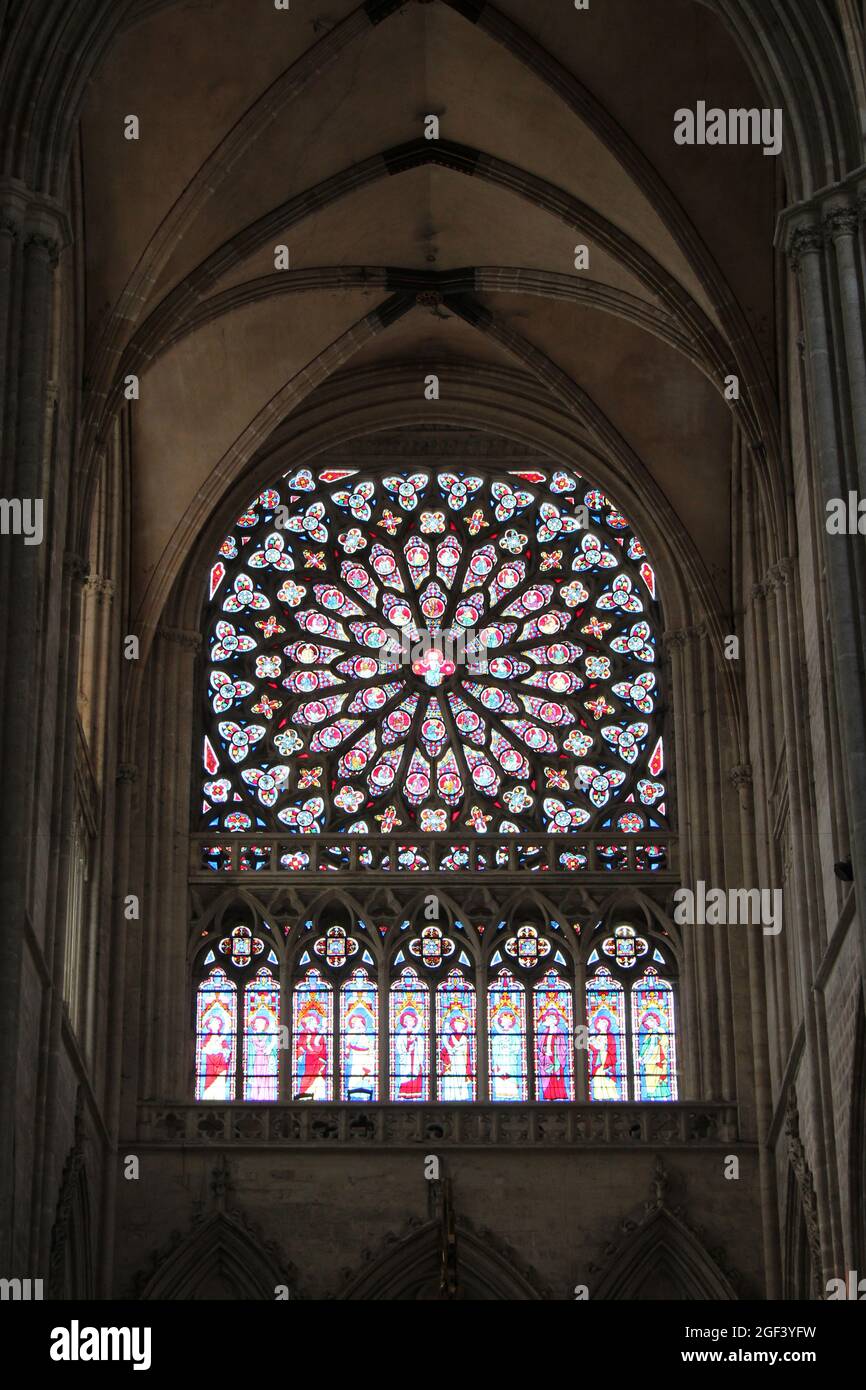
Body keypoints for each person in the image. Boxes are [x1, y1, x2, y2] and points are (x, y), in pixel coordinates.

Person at [536, 1004, 570, 1101]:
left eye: (549, 1019)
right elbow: (540, 1045)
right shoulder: (545, 1032)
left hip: (556, 1058)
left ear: (554, 1021)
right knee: (548, 1076)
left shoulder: (559, 1031)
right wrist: (545, 1052)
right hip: (547, 1058)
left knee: (557, 1077)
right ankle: (548, 1095)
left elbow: (562, 1046)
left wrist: (555, 1051)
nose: (546, 1021)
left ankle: (559, 1095)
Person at [295, 1004, 329, 1099]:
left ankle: (317, 1096)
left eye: (315, 1021)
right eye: (313, 1021)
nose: (315, 1023)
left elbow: (320, 1044)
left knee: (319, 1077)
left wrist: (322, 1031)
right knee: (309, 1075)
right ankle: (304, 1095)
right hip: (310, 1058)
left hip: (320, 1059)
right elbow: (306, 1045)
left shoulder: (318, 1033)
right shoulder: (304, 1033)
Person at [489, 1005, 523, 1101]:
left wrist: (510, 1048)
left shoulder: (512, 1032)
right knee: (501, 1073)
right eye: (503, 1021)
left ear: (511, 1023)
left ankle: (512, 1093)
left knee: (510, 1073)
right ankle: (501, 1093)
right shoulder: (499, 1034)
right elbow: (495, 1043)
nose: (505, 1022)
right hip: (501, 1058)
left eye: (507, 1021)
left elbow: (517, 1045)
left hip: (510, 1058)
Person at [438, 1009, 473, 1101]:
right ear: (454, 1026)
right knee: (452, 1078)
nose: (459, 1027)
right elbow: (446, 1049)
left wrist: (454, 1049)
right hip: (453, 1061)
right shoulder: (451, 1037)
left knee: (461, 1078)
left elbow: (465, 1050)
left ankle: (461, 1096)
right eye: (457, 1025)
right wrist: (449, 1049)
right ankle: (452, 1096)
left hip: (461, 1060)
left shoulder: (465, 1037)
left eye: (461, 1025)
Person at [343, 1007, 376, 1101]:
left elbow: (369, 1047)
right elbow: (351, 1044)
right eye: (357, 1025)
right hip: (356, 1059)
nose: (361, 1027)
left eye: (362, 1025)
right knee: (356, 1076)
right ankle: (353, 1095)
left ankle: (365, 1095)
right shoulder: (352, 1033)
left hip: (366, 1060)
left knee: (365, 1079)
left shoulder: (366, 1037)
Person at [588, 1014, 620, 1101]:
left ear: (606, 1025)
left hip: (607, 1057)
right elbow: (594, 1049)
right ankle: (599, 1096)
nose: (601, 1025)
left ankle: (611, 1095)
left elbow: (612, 1048)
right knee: (598, 1075)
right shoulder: (597, 1036)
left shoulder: (610, 1035)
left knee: (607, 1076)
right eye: (599, 1023)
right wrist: (590, 1044)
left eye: (602, 1023)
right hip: (599, 1058)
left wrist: (604, 1047)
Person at [247, 1012, 278, 1101]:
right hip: (257, 1059)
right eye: (258, 1023)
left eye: (262, 1023)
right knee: (258, 1077)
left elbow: (276, 1047)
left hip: (266, 1059)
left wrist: (271, 1046)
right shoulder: (252, 1035)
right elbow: (257, 1045)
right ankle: (257, 1096)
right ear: (255, 1025)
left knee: (266, 1077)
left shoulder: (268, 1036)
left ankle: (266, 1096)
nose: (260, 1024)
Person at [394, 1006, 425, 1099]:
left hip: (415, 1058)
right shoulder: (402, 1033)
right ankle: (404, 1095)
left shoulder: (417, 1034)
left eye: (412, 1020)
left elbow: (421, 1044)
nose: (411, 1022)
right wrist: (407, 1047)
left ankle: (415, 1095)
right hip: (406, 1058)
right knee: (406, 1076)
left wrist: (416, 1041)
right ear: (405, 1022)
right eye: (409, 1020)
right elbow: (399, 1046)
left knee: (416, 1074)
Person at [638, 1011, 669, 1099]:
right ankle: (651, 1095)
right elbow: (645, 1045)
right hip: (649, 1056)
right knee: (649, 1074)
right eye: (647, 1024)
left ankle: (663, 1096)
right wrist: (641, 1056)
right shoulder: (649, 1032)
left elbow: (665, 1042)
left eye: (649, 1022)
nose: (648, 1025)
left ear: (654, 1021)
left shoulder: (661, 1030)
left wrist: (658, 1039)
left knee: (659, 1074)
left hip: (659, 1055)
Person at [201, 1012, 232, 1099]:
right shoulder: (207, 1036)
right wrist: (211, 1048)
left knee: (220, 1082)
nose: (216, 1025)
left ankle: (219, 1097)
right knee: (210, 1080)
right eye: (214, 1023)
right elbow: (204, 1048)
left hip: (221, 1063)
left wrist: (223, 1050)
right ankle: (208, 1097)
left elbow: (227, 1050)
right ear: (209, 1026)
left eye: (217, 1023)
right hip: (211, 1063)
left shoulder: (221, 1037)